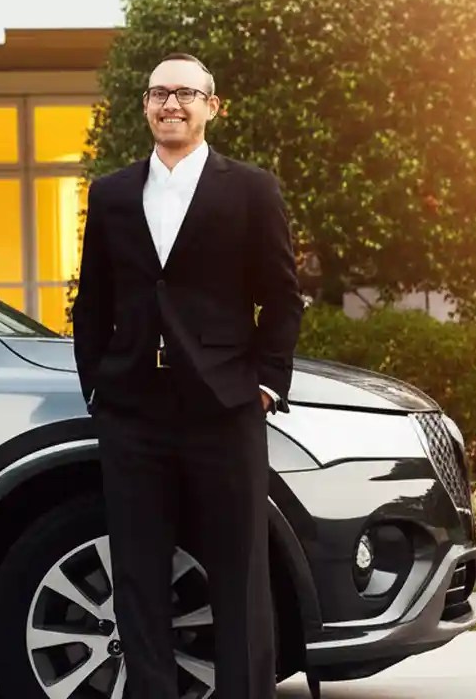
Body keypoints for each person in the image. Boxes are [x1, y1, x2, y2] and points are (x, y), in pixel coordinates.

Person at [71, 52, 304, 699]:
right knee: (140, 578)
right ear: (146, 106)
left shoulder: (252, 189)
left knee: (240, 576)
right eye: (159, 94)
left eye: (186, 94)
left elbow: (282, 299)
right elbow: (92, 303)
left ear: (212, 106)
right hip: (133, 413)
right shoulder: (112, 192)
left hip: (224, 408)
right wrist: (97, 387)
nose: (171, 104)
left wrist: (264, 383)